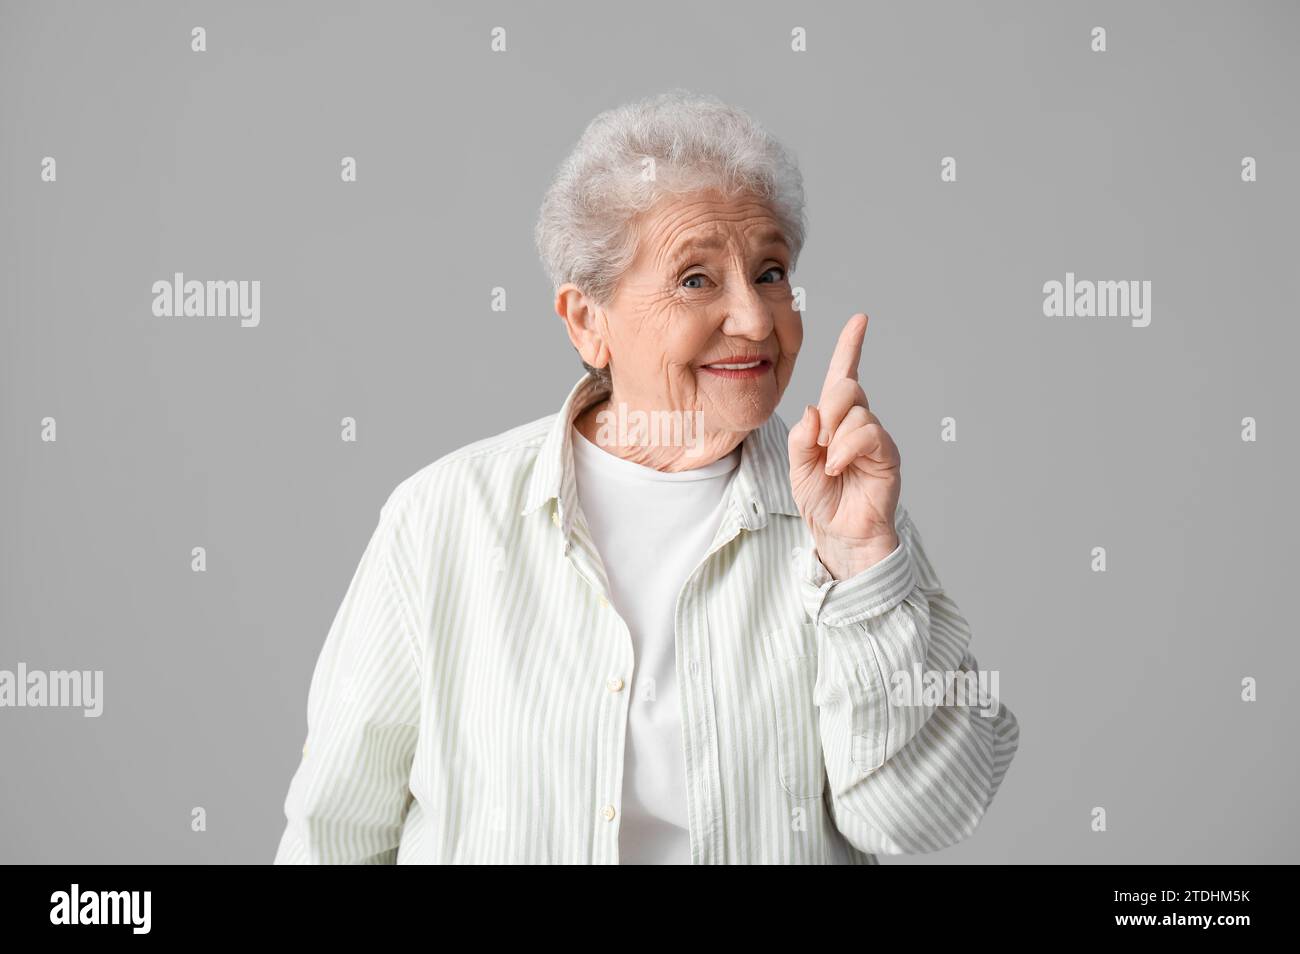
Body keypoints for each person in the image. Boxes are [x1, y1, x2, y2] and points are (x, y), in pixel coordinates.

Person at [273, 89, 1018, 864]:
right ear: (586, 322)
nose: (758, 321)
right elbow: (334, 835)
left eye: (770, 272)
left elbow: (918, 822)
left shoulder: (844, 516)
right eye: (696, 280)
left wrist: (863, 564)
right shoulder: (442, 519)